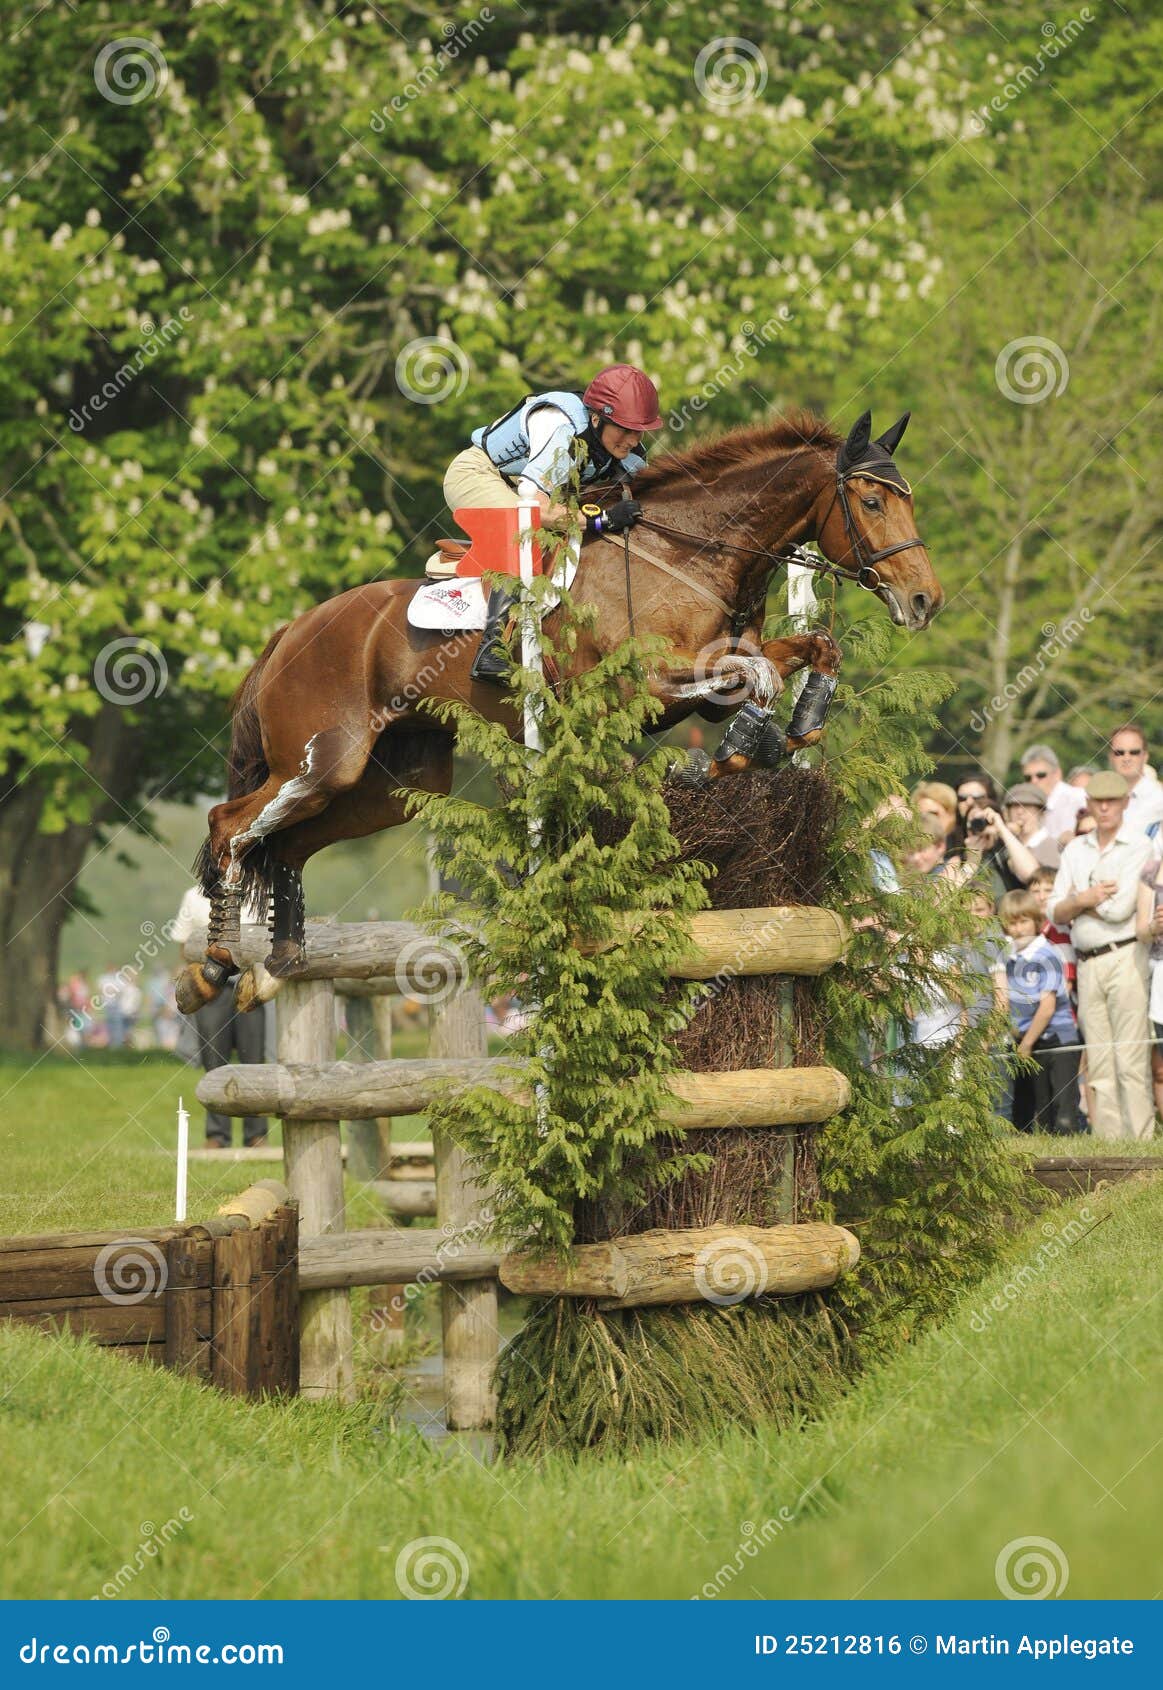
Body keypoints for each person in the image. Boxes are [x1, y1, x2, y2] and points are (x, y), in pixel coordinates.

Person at [442, 365, 663, 684]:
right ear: (597, 418)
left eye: (638, 431)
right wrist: (600, 520)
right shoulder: (560, 425)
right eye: (625, 429)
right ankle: (493, 648)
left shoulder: (628, 453)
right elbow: (535, 507)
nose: (632, 440)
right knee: (522, 529)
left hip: (535, 494)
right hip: (479, 475)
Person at [1050, 771, 1154, 1140]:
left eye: (1112, 800)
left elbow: (1120, 908)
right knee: (1099, 1057)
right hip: (1087, 960)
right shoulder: (1076, 849)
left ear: (1125, 802)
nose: (1105, 807)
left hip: (1125, 955)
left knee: (1130, 1056)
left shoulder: (1140, 846)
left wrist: (1078, 902)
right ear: (1089, 804)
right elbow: (1054, 910)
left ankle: (1140, 1138)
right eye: (1099, 800)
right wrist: (1085, 898)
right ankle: (1111, 1141)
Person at [172, 885, 271, 1150]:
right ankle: (216, 1135)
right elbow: (184, 944)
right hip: (211, 987)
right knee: (213, 1061)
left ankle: (256, 1135)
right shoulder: (193, 896)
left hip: (252, 984)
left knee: (253, 1060)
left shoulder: (259, 890)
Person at [997, 889, 1081, 1135]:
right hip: (1030, 1040)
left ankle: (1070, 1149)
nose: (1018, 929)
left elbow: (1047, 1007)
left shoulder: (1047, 954)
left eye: (1024, 921)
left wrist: (1026, 1043)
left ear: (1036, 922)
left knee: (1063, 1111)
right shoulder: (1010, 957)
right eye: (1012, 923)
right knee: (1042, 1111)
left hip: (1058, 1038)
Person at [1019, 743, 1087, 846]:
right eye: (1028, 778)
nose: (1034, 781)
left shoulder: (1079, 797)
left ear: (1057, 774)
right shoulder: (1024, 807)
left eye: (1040, 775)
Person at [1108, 724, 1163, 837]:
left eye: (1134, 752)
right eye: (1119, 752)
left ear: (1145, 756)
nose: (1126, 758)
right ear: (1111, 757)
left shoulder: (1159, 797)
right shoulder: (1098, 798)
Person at [1001, 782, 1060, 871]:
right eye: (1015, 806)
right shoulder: (1005, 845)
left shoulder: (1051, 846)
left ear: (1041, 812)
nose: (1020, 811)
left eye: (1027, 806)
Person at [911, 781, 960, 860]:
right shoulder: (910, 856)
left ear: (951, 815)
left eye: (933, 814)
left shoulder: (963, 851)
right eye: (920, 816)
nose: (927, 820)